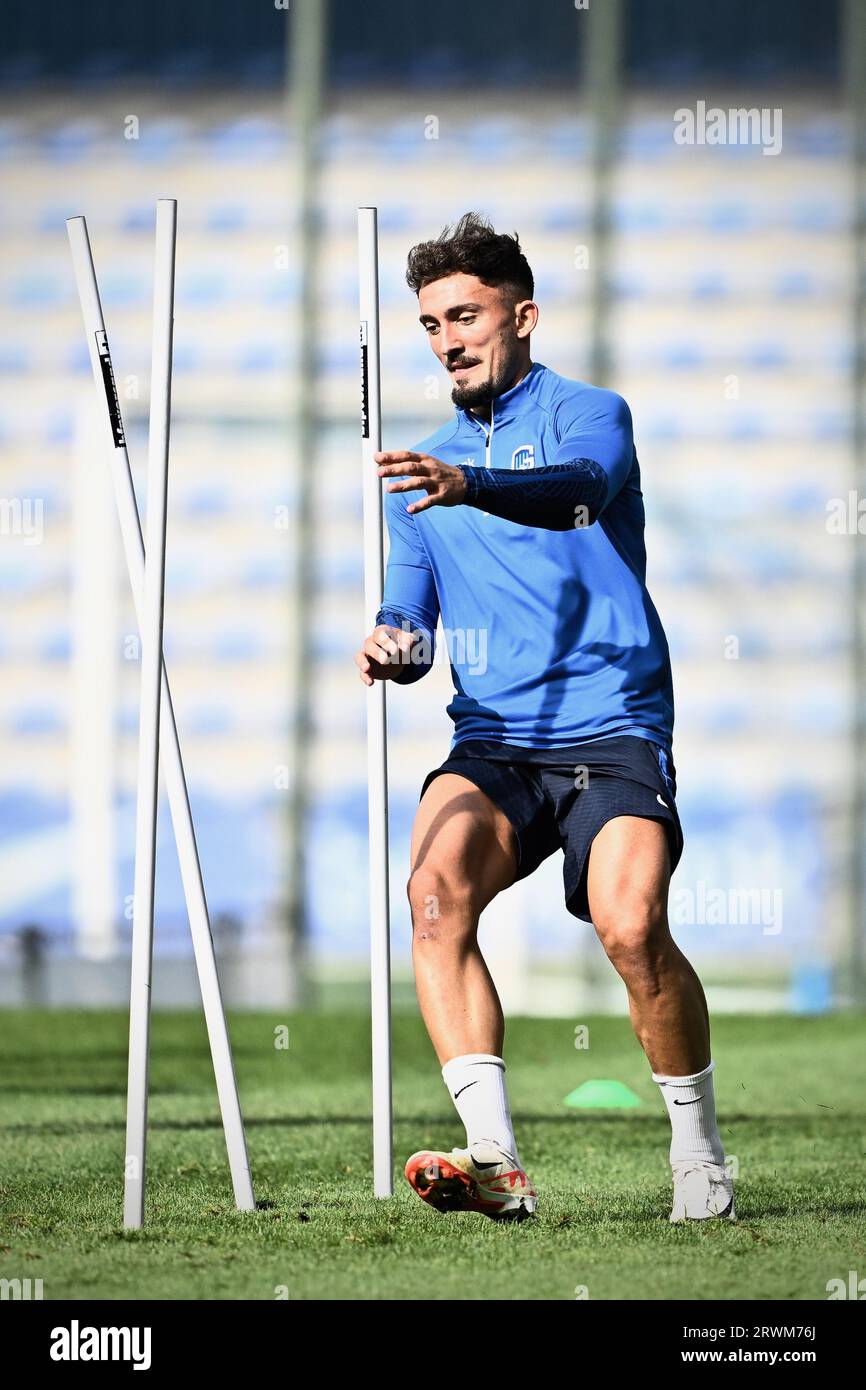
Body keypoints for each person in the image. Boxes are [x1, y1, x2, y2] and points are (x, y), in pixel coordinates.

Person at [354, 212, 734, 1224]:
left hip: (610, 727)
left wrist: (470, 482)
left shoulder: (588, 415)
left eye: (464, 314)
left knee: (629, 924)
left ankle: (698, 1156)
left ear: (519, 315)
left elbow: (575, 497)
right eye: (430, 321)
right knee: (431, 897)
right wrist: (395, 647)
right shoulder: (419, 476)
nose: (446, 338)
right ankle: (493, 1163)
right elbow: (410, 617)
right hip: (494, 740)